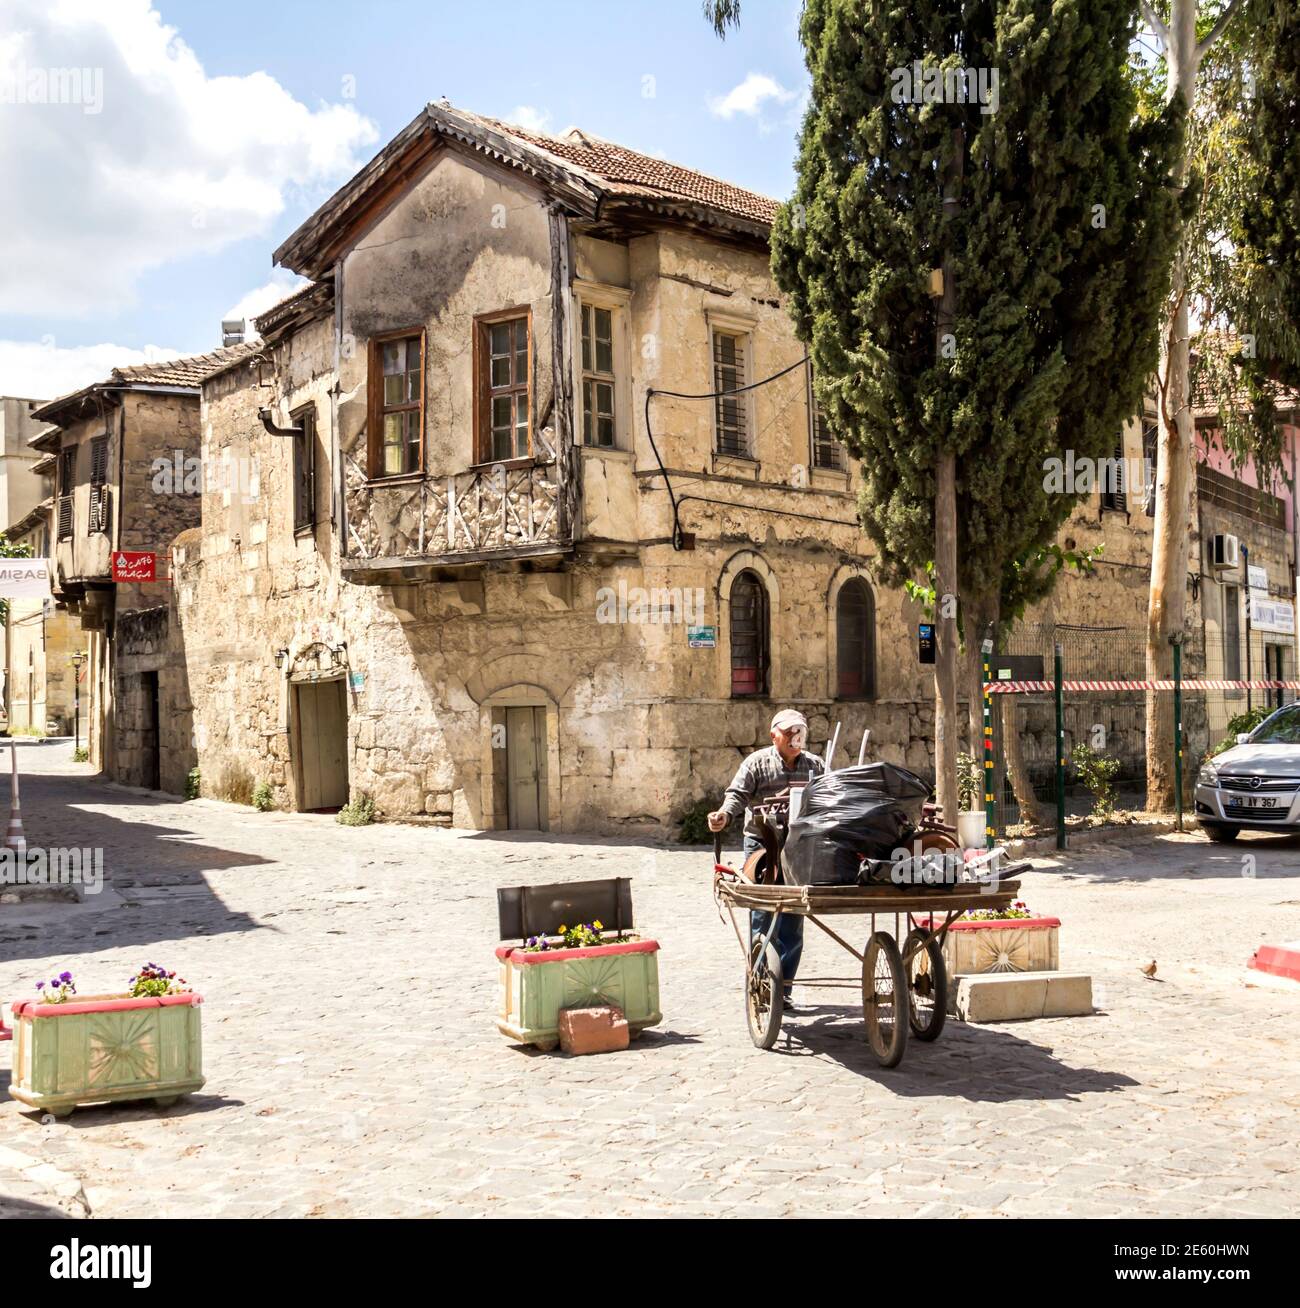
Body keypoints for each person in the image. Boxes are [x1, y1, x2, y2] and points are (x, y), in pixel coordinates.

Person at [708, 709, 825, 1009]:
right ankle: (761, 980)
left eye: (799, 731)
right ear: (774, 735)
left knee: (794, 913)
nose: (794, 737)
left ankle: (783, 987)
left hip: (798, 846)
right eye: (788, 732)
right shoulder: (757, 763)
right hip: (761, 843)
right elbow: (737, 794)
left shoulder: (815, 765)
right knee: (761, 911)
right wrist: (724, 814)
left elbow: (828, 798)